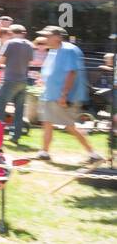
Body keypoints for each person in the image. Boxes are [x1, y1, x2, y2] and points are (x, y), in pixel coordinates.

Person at [34, 25, 101, 164]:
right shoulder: (53, 50)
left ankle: (93, 155)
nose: (44, 38)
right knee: (47, 123)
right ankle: (44, 152)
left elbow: (71, 73)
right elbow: (50, 69)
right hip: (50, 94)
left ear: (58, 37)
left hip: (64, 97)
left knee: (70, 126)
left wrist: (64, 95)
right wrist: (42, 79)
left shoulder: (69, 50)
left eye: (48, 35)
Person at [0, 23, 33, 143]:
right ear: (24, 33)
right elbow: (29, 62)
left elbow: (2, 60)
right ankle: (16, 136)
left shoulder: (9, 43)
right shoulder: (29, 44)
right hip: (23, 80)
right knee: (19, 110)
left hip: (9, 80)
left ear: (11, 33)